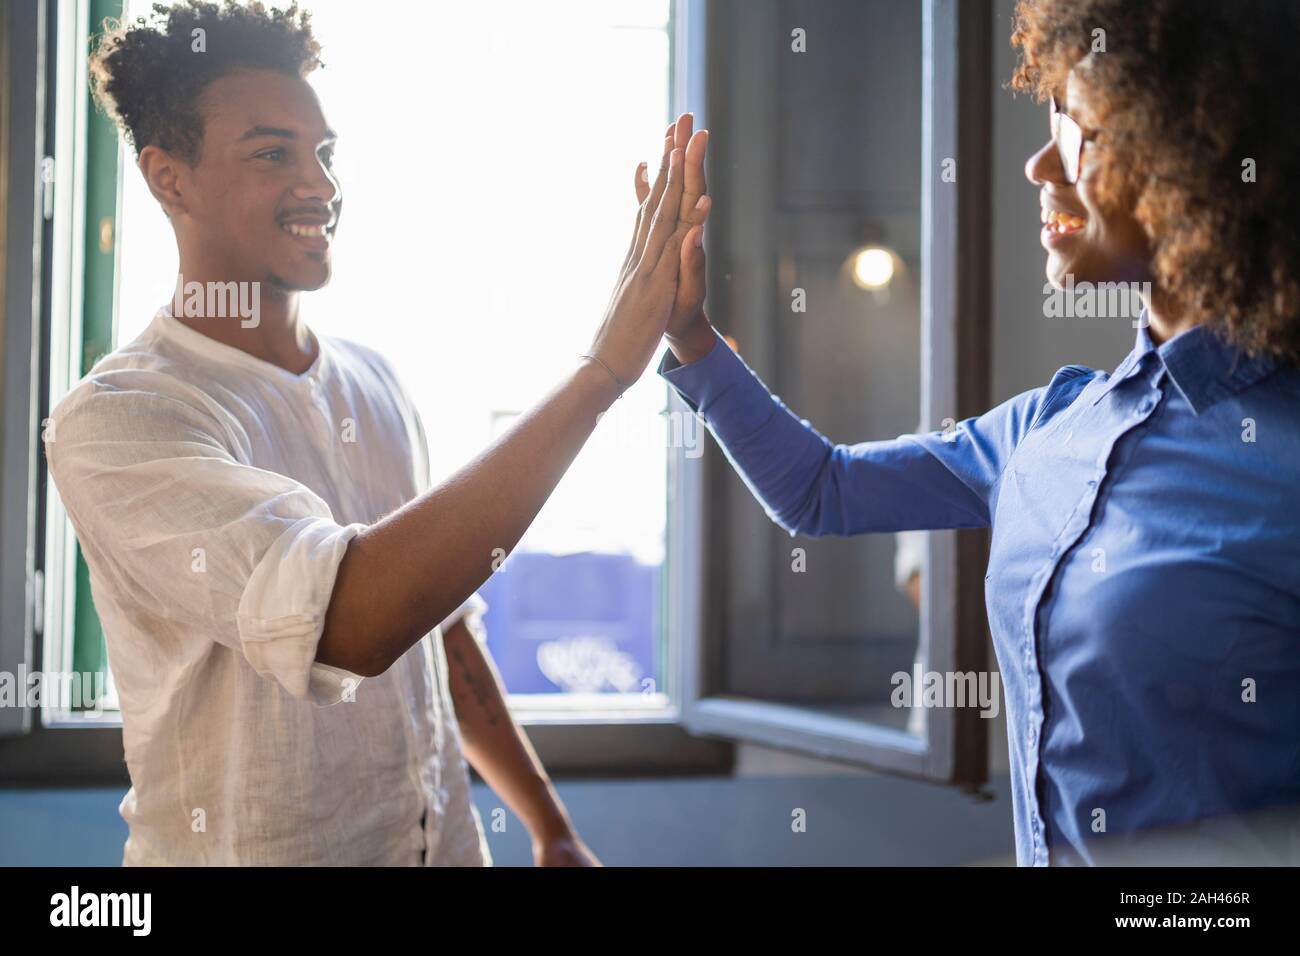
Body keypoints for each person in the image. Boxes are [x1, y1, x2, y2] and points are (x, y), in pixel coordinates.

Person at [45, 0, 709, 865]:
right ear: (169, 177)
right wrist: (603, 374)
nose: (319, 185)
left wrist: (550, 828)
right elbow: (349, 620)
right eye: (272, 154)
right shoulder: (121, 421)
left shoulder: (376, 381)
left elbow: (436, 629)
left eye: (322, 153)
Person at [654, 0, 1300, 865]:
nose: (1040, 163)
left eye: (1082, 131)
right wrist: (692, 335)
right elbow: (820, 491)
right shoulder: (1044, 429)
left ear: (1199, 162)